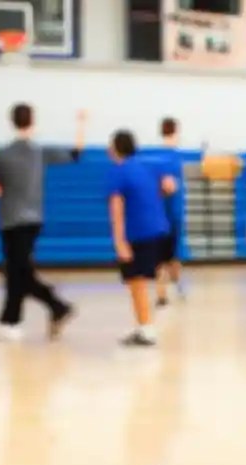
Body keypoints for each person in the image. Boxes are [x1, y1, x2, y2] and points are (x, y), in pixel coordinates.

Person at [0, 103, 86, 342]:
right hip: (33, 220)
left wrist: (0, 189)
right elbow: (75, 154)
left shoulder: (1, 154)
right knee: (16, 271)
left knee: (18, 271)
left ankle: (56, 305)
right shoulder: (40, 152)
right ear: (33, 121)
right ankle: (11, 320)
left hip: (10, 220)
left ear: (12, 122)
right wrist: (81, 124)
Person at [106, 130, 177, 347]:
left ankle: (146, 330)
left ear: (116, 148)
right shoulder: (148, 165)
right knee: (142, 281)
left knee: (137, 283)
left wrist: (119, 241)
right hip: (160, 229)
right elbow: (170, 185)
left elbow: (116, 209)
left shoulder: (118, 172)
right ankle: (143, 325)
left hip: (138, 234)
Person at [155, 116, 187, 306]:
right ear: (176, 131)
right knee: (171, 255)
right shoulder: (174, 157)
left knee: (163, 256)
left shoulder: (155, 157)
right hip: (171, 214)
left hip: (160, 214)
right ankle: (168, 291)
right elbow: (170, 186)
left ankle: (164, 293)